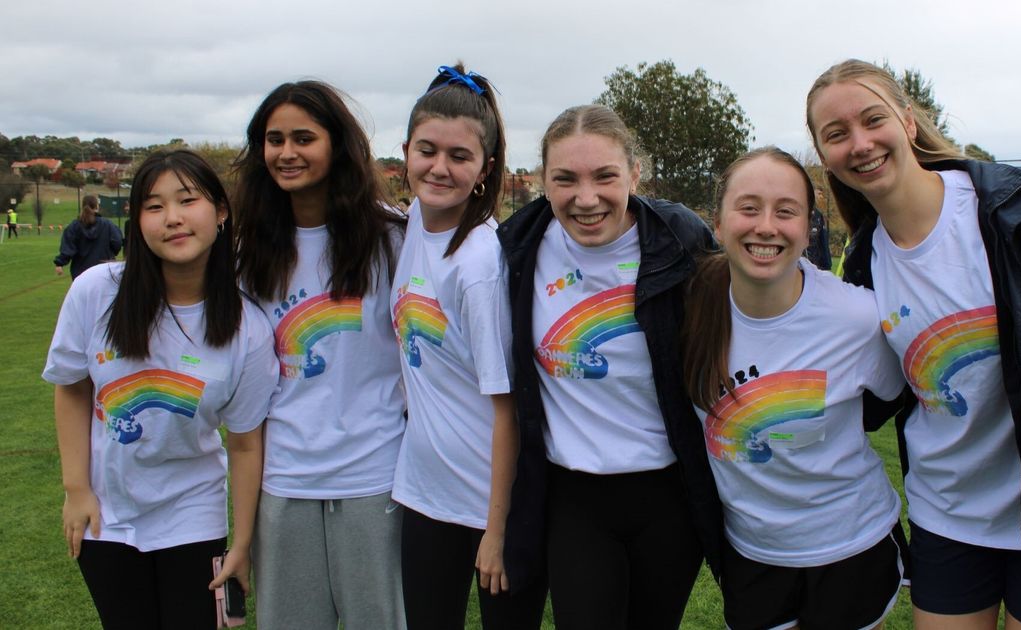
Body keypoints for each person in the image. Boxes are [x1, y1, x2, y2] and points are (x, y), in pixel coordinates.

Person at [806, 59, 1021, 630]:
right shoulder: (866, 259)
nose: (861, 143)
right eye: (836, 134)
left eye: (873, 119)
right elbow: (878, 394)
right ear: (825, 157)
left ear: (908, 121)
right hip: (945, 518)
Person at [497, 104, 724, 629]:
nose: (586, 198)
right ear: (540, 182)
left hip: (668, 494)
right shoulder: (517, 247)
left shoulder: (680, 238)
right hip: (573, 496)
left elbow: (741, 310)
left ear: (635, 175)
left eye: (605, 176)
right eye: (565, 179)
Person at [43, 150, 277, 629]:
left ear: (221, 212)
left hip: (194, 517)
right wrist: (77, 489)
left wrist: (242, 544)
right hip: (107, 520)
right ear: (137, 221)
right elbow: (70, 389)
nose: (172, 219)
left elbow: (246, 441)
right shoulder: (95, 292)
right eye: (153, 206)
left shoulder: (247, 326)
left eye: (187, 200)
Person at [681, 146, 907, 630]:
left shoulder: (857, 317)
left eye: (786, 212)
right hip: (751, 551)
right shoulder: (689, 306)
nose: (766, 226)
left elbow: (892, 395)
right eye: (748, 208)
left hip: (851, 544)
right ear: (717, 224)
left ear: (809, 230)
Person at [233, 80, 407, 630]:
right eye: (274, 139)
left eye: (304, 138)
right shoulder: (247, 247)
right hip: (283, 479)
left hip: (374, 477)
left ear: (338, 145)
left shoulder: (393, 239)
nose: (287, 153)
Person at [390, 63, 546, 628]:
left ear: (484, 169)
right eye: (427, 150)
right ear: (405, 151)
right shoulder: (411, 222)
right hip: (424, 494)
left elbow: (507, 410)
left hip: (487, 504)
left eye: (459, 157)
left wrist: (497, 529)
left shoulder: (478, 264)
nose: (439, 168)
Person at [54, 195, 124, 279]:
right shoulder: (108, 225)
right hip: (104, 271)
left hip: (81, 273)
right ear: (97, 207)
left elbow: (68, 248)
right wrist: (110, 252)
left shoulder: (74, 226)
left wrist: (60, 263)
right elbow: (117, 242)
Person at [803, 188, 833, 270]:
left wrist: (827, 263)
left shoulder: (818, 215)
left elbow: (823, 241)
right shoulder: (802, 213)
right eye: (819, 194)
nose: (821, 197)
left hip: (818, 266)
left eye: (822, 194)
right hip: (805, 265)